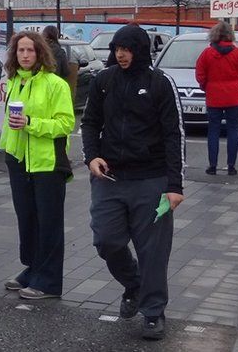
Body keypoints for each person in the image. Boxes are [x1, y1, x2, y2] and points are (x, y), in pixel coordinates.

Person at [81, 24, 185, 341]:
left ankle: (153, 313)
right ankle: (135, 285)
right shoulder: (104, 81)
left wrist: (175, 185)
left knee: (153, 250)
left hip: (151, 180)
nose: (120, 54)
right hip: (110, 178)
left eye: (126, 49)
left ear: (140, 50)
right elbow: (89, 122)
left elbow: (174, 135)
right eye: (117, 48)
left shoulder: (159, 83)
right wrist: (91, 157)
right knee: (106, 241)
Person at [0, 31, 74, 300]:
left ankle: (50, 282)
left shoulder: (56, 84)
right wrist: (8, 152)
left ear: (40, 53)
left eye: (30, 50)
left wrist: (33, 124)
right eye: (20, 51)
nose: (25, 55)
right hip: (19, 161)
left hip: (47, 163)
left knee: (49, 223)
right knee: (27, 220)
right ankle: (33, 269)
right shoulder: (14, 82)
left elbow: (66, 123)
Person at [195, 21, 238, 175]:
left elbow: (200, 73)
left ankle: (212, 165)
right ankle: (231, 166)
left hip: (214, 95)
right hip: (234, 96)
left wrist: (206, 87)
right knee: (233, 130)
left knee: (213, 130)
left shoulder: (207, 53)